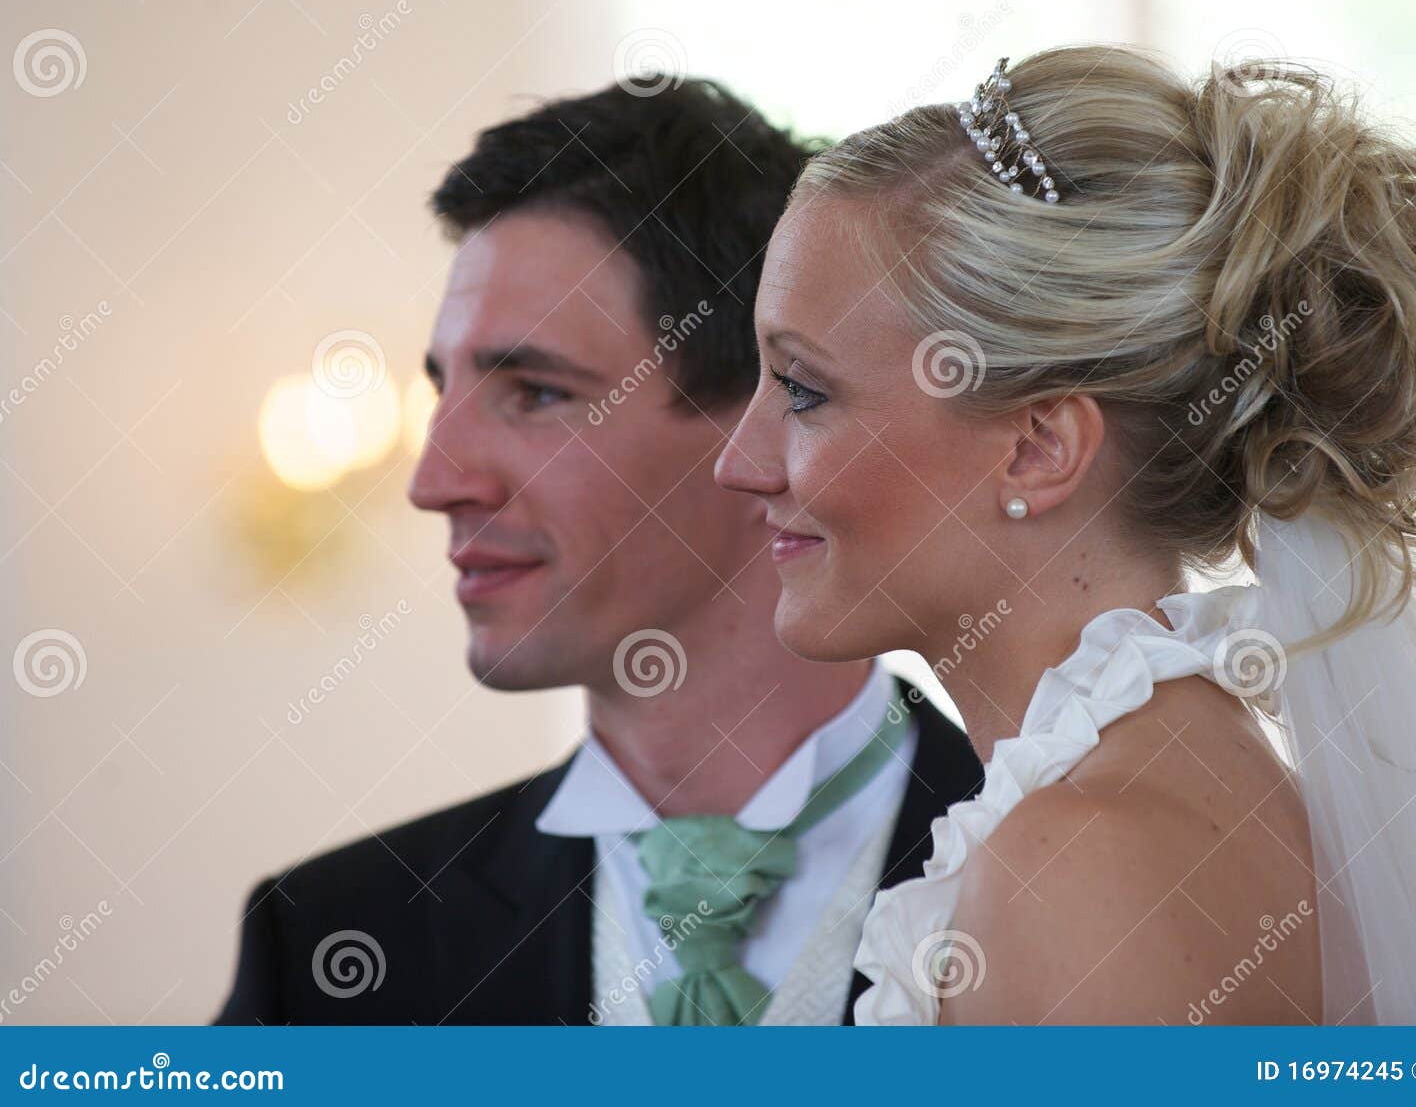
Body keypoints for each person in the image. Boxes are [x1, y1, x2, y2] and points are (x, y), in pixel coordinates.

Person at [714, 46, 1416, 1025]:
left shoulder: (1076, 865)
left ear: (1038, 447)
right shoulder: (1176, 797)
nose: (738, 461)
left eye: (803, 389)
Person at [215, 76, 982, 1026]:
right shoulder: (334, 945)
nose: (433, 481)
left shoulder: (1084, 882)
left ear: (770, 407)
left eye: (535, 393)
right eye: (439, 392)